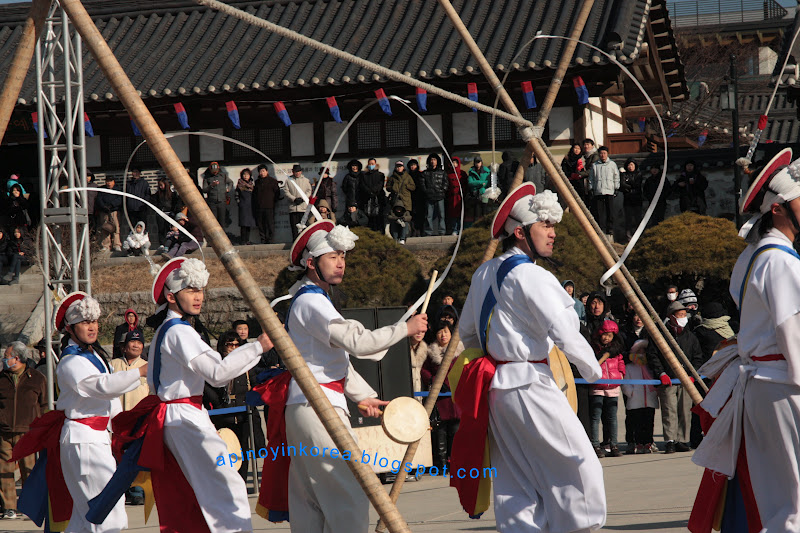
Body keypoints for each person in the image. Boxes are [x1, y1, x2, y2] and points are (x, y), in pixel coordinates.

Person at [253, 220, 427, 531]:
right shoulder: (312, 301)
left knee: (311, 503)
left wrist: (362, 397)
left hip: (308, 406)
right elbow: (358, 343)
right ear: (311, 263)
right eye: (333, 257)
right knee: (348, 493)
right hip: (318, 408)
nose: (341, 263)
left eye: (343, 256)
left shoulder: (311, 301)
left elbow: (336, 361)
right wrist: (405, 328)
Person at [453, 183, 605, 531]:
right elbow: (564, 330)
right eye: (545, 226)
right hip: (532, 384)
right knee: (578, 464)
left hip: (498, 389)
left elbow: (468, 334)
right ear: (520, 232)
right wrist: (593, 371)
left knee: (516, 481)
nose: (553, 234)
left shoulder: (481, 273)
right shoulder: (532, 275)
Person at [98, 257, 273, 532]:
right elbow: (217, 372)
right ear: (171, 296)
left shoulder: (166, 331)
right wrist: (259, 346)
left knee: (190, 493)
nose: (198, 297)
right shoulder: (179, 331)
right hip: (184, 417)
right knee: (226, 487)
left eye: (200, 290)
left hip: (176, 415)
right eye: (190, 291)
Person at [689, 148, 800, 531]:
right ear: (779, 209)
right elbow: (792, 331)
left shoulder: (753, 257)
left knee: (776, 498)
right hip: (784, 382)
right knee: (792, 502)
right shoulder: (781, 261)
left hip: (763, 382)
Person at [11, 292, 146, 532]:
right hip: (84, 440)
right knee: (104, 515)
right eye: (85, 322)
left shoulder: (94, 355)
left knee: (86, 519)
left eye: (94, 321)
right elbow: (101, 388)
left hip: (95, 438)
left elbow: (110, 397)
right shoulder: (70, 362)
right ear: (70, 328)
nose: (92, 327)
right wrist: (140, 372)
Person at [203, 331, 266, 481]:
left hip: (243, 414)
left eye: (236, 344)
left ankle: (242, 480)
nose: (233, 347)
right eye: (229, 344)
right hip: (222, 415)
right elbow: (208, 388)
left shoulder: (246, 366)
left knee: (242, 450)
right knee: (223, 451)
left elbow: (254, 385)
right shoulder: (216, 364)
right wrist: (219, 405)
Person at [645, 300, 703, 453]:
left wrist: (692, 374)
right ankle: (670, 440)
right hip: (668, 380)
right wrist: (661, 373)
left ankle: (682, 439)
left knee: (685, 410)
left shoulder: (690, 336)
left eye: (685, 314)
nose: (683, 317)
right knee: (669, 410)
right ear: (671, 316)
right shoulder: (661, 336)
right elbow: (653, 355)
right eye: (680, 315)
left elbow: (697, 357)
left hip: (686, 381)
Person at [0, 342, 46, 519]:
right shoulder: (1, 379)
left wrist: (42, 429)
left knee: (30, 470)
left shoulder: (37, 378)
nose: (5, 361)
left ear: (17, 358)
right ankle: (9, 507)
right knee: (4, 470)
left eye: (7, 358)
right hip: (4, 432)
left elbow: (44, 405)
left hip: (28, 432)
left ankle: (30, 505)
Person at [110, 330, 149, 506]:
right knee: (116, 455)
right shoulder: (113, 365)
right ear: (124, 346)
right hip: (116, 420)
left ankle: (137, 490)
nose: (136, 345)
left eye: (139, 343)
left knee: (137, 455)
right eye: (132, 342)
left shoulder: (148, 366)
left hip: (138, 420)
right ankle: (119, 491)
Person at [422, 321, 462, 469]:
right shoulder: (431, 352)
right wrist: (433, 380)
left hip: (456, 398)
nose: (443, 335)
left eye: (446, 331)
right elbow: (424, 370)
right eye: (440, 332)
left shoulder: (459, 351)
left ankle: (454, 463)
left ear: (451, 334)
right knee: (440, 431)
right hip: (439, 399)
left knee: (455, 431)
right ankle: (441, 464)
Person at [589, 320, 626, 458]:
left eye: (609, 335)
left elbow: (621, 362)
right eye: (604, 334)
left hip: (613, 387)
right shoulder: (593, 349)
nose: (606, 338)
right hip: (597, 387)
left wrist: (621, 373)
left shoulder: (615, 350)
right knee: (595, 417)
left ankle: (614, 445)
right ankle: (595, 444)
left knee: (612, 418)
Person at [621, 337, 658, 454]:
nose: (642, 353)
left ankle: (648, 442)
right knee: (636, 422)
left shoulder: (650, 367)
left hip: (649, 399)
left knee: (649, 421)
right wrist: (630, 393)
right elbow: (625, 382)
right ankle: (637, 442)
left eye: (644, 351)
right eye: (639, 351)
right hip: (635, 400)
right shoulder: (629, 367)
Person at [588, 146, 620, 239]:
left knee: (610, 211)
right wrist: (591, 188)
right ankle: (600, 228)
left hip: (609, 191)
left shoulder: (612, 164)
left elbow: (616, 176)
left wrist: (616, 188)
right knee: (599, 212)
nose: (603, 155)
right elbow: (591, 178)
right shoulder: (595, 165)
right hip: (599, 191)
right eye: (601, 153)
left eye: (604, 153)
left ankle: (610, 229)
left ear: (607, 154)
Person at [253, 164, 281, 244]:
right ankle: (263, 239)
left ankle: (270, 239)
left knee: (270, 223)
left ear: (267, 171)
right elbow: (254, 195)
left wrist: (273, 201)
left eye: (263, 171)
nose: (262, 173)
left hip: (269, 206)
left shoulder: (272, 181)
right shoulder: (257, 182)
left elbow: (277, 193)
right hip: (259, 207)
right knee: (261, 224)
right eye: (260, 171)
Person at [422, 153, 448, 236]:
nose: (433, 161)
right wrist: (426, 191)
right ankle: (428, 231)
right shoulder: (425, 173)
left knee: (442, 215)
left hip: (440, 196)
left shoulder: (442, 172)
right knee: (428, 215)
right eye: (431, 160)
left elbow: (446, 183)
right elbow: (422, 184)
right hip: (429, 196)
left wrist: (442, 190)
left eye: (434, 159)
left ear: (438, 161)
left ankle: (442, 231)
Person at [284, 164, 312, 241]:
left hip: (303, 208)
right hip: (293, 208)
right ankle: (295, 242)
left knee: (304, 227)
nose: (297, 173)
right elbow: (286, 192)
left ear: (301, 171)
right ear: (293, 172)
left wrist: (303, 198)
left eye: (299, 171)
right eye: (296, 171)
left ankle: (304, 242)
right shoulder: (289, 180)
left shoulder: (306, 180)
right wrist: (294, 199)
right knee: (294, 227)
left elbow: (309, 191)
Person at [358, 157, 386, 233]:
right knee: (368, 217)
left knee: (379, 218)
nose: (371, 165)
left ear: (375, 164)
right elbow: (362, 185)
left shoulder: (380, 175)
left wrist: (374, 191)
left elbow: (380, 185)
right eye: (370, 164)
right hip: (367, 199)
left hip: (378, 198)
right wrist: (369, 192)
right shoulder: (364, 175)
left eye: (372, 164)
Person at [95, 176, 122, 252]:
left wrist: (111, 205)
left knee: (116, 228)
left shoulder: (118, 189)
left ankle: (117, 244)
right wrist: (104, 206)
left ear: (114, 181)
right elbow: (99, 199)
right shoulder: (102, 189)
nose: (108, 183)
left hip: (114, 211)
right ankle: (106, 245)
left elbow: (119, 199)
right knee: (105, 228)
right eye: (107, 181)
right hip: (104, 211)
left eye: (110, 181)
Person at [202, 162, 233, 227]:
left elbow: (230, 182)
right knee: (214, 222)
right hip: (212, 202)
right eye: (213, 171)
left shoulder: (223, 175)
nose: (215, 172)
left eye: (216, 171)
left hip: (222, 201)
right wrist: (211, 186)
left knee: (222, 221)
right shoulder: (207, 177)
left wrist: (228, 189)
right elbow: (204, 190)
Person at [619, 159, 644, 239]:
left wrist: (628, 183)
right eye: (629, 165)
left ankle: (639, 235)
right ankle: (628, 236)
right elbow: (622, 185)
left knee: (638, 218)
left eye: (632, 165)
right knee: (628, 218)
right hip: (627, 199)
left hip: (637, 199)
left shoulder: (638, 174)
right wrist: (629, 185)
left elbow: (637, 184)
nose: (630, 167)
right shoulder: (624, 174)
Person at [643, 163, 671, 227]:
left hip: (661, 202)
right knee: (653, 218)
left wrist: (662, 197)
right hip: (652, 202)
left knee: (660, 218)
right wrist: (649, 197)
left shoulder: (663, 179)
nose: (654, 170)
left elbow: (668, 189)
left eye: (656, 169)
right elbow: (645, 191)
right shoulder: (649, 180)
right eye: (653, 169)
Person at [152, 177, 177, 246]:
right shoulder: (157, 194)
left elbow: (175, 203)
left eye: (161, 185)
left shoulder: (172, 194)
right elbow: (155, 202)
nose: (160, 187)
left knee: (170, 229)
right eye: (159, 185)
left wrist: (173, 211)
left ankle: (171, 243)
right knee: (161, 229)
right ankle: (162, 244)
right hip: (161, 213)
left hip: (170, 213)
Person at [445, 157, 467, 235]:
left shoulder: (462, 173)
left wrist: (463, 192)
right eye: (452, 162)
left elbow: (465, 184)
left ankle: (461, 228)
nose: (454, 164)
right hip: (452, 198)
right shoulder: (448, 174)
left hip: (460, 197)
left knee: (461, 213)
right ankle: (454, 229)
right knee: (453, 214)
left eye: (455, 162)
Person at [236, 168, 257, 245]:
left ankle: (247, 240)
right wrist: (239, 203)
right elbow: (236, 195)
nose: (245, 176)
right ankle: (243, 240)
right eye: (244, 175)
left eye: (247, 175)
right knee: (243, 224)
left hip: (250, 205)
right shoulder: (240, 184)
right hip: (243, 205)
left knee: (249, 224)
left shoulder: (252, 184)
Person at [467, 155, 491, 221]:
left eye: (479, 162)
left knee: (485, 213)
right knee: (476, 213)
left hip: (484, 193)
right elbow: (470, 183)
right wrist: (480, 183)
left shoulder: (486, 171)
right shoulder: (471, 172)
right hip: (475, 194)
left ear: (481, 162)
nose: (477, 164)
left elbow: (487, 182)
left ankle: (485, 228)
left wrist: (476, 183)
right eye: (476, 162)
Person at [407, 159, 426, 236]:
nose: (413, 167)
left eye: (414, 165)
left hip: (421, 198)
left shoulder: (421, 174)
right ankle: (414, 231)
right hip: (411, 198)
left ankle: (421, 231)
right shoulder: (407, 176)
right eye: (411, 165)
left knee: (421, 216)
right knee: (412, 217)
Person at [409, 329, 427, 401]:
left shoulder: (427, 350)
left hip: (421, 387)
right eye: (417, 330)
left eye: (422, 331)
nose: (419, 333)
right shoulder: (402, 347)